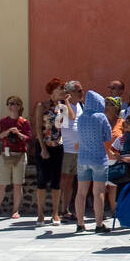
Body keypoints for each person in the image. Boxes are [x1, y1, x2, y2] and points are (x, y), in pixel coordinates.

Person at [72, 85, 111, 234]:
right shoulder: (101, 117)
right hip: (99, 159)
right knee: (99, 192)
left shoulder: (81, 117)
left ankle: (80, 223)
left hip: (82, 159)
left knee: (81, 192)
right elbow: (107, 136)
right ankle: (99, 224)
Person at [0, 96, 31, 220]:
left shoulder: (24, 122)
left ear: (20, 106)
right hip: (6, 154)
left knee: (18, 184)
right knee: (1, 184)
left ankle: (15, 211)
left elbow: (28, 138)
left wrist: (18, 133)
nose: (13, 106)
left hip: (20, 155)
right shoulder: (3, 121)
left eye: (16, 104)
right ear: (7, 106)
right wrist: (7, 132)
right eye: (11, 103)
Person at [33, 78, 66, 225]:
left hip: (58, 145)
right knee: (42, 178)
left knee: (56, 180)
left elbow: (65, 124)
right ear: (52, 90)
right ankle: (40, 213)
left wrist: (66, 105)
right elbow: (38, 128)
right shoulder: (42, 106)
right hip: (44, 145)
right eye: (60, 88)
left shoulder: (63, 107)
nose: (63, 91)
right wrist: (43, 148)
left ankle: (55, 213)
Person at [58, 80, 84, 219]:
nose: (82, 93)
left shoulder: (81, 105)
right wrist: (66, 102)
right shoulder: (61, 107)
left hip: (80, 150)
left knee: (73, 181)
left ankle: (67, 209)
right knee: (65, 180)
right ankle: (62, 209)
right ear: (70, 93)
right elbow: (70, 118)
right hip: (67, 149)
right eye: (79, 91)